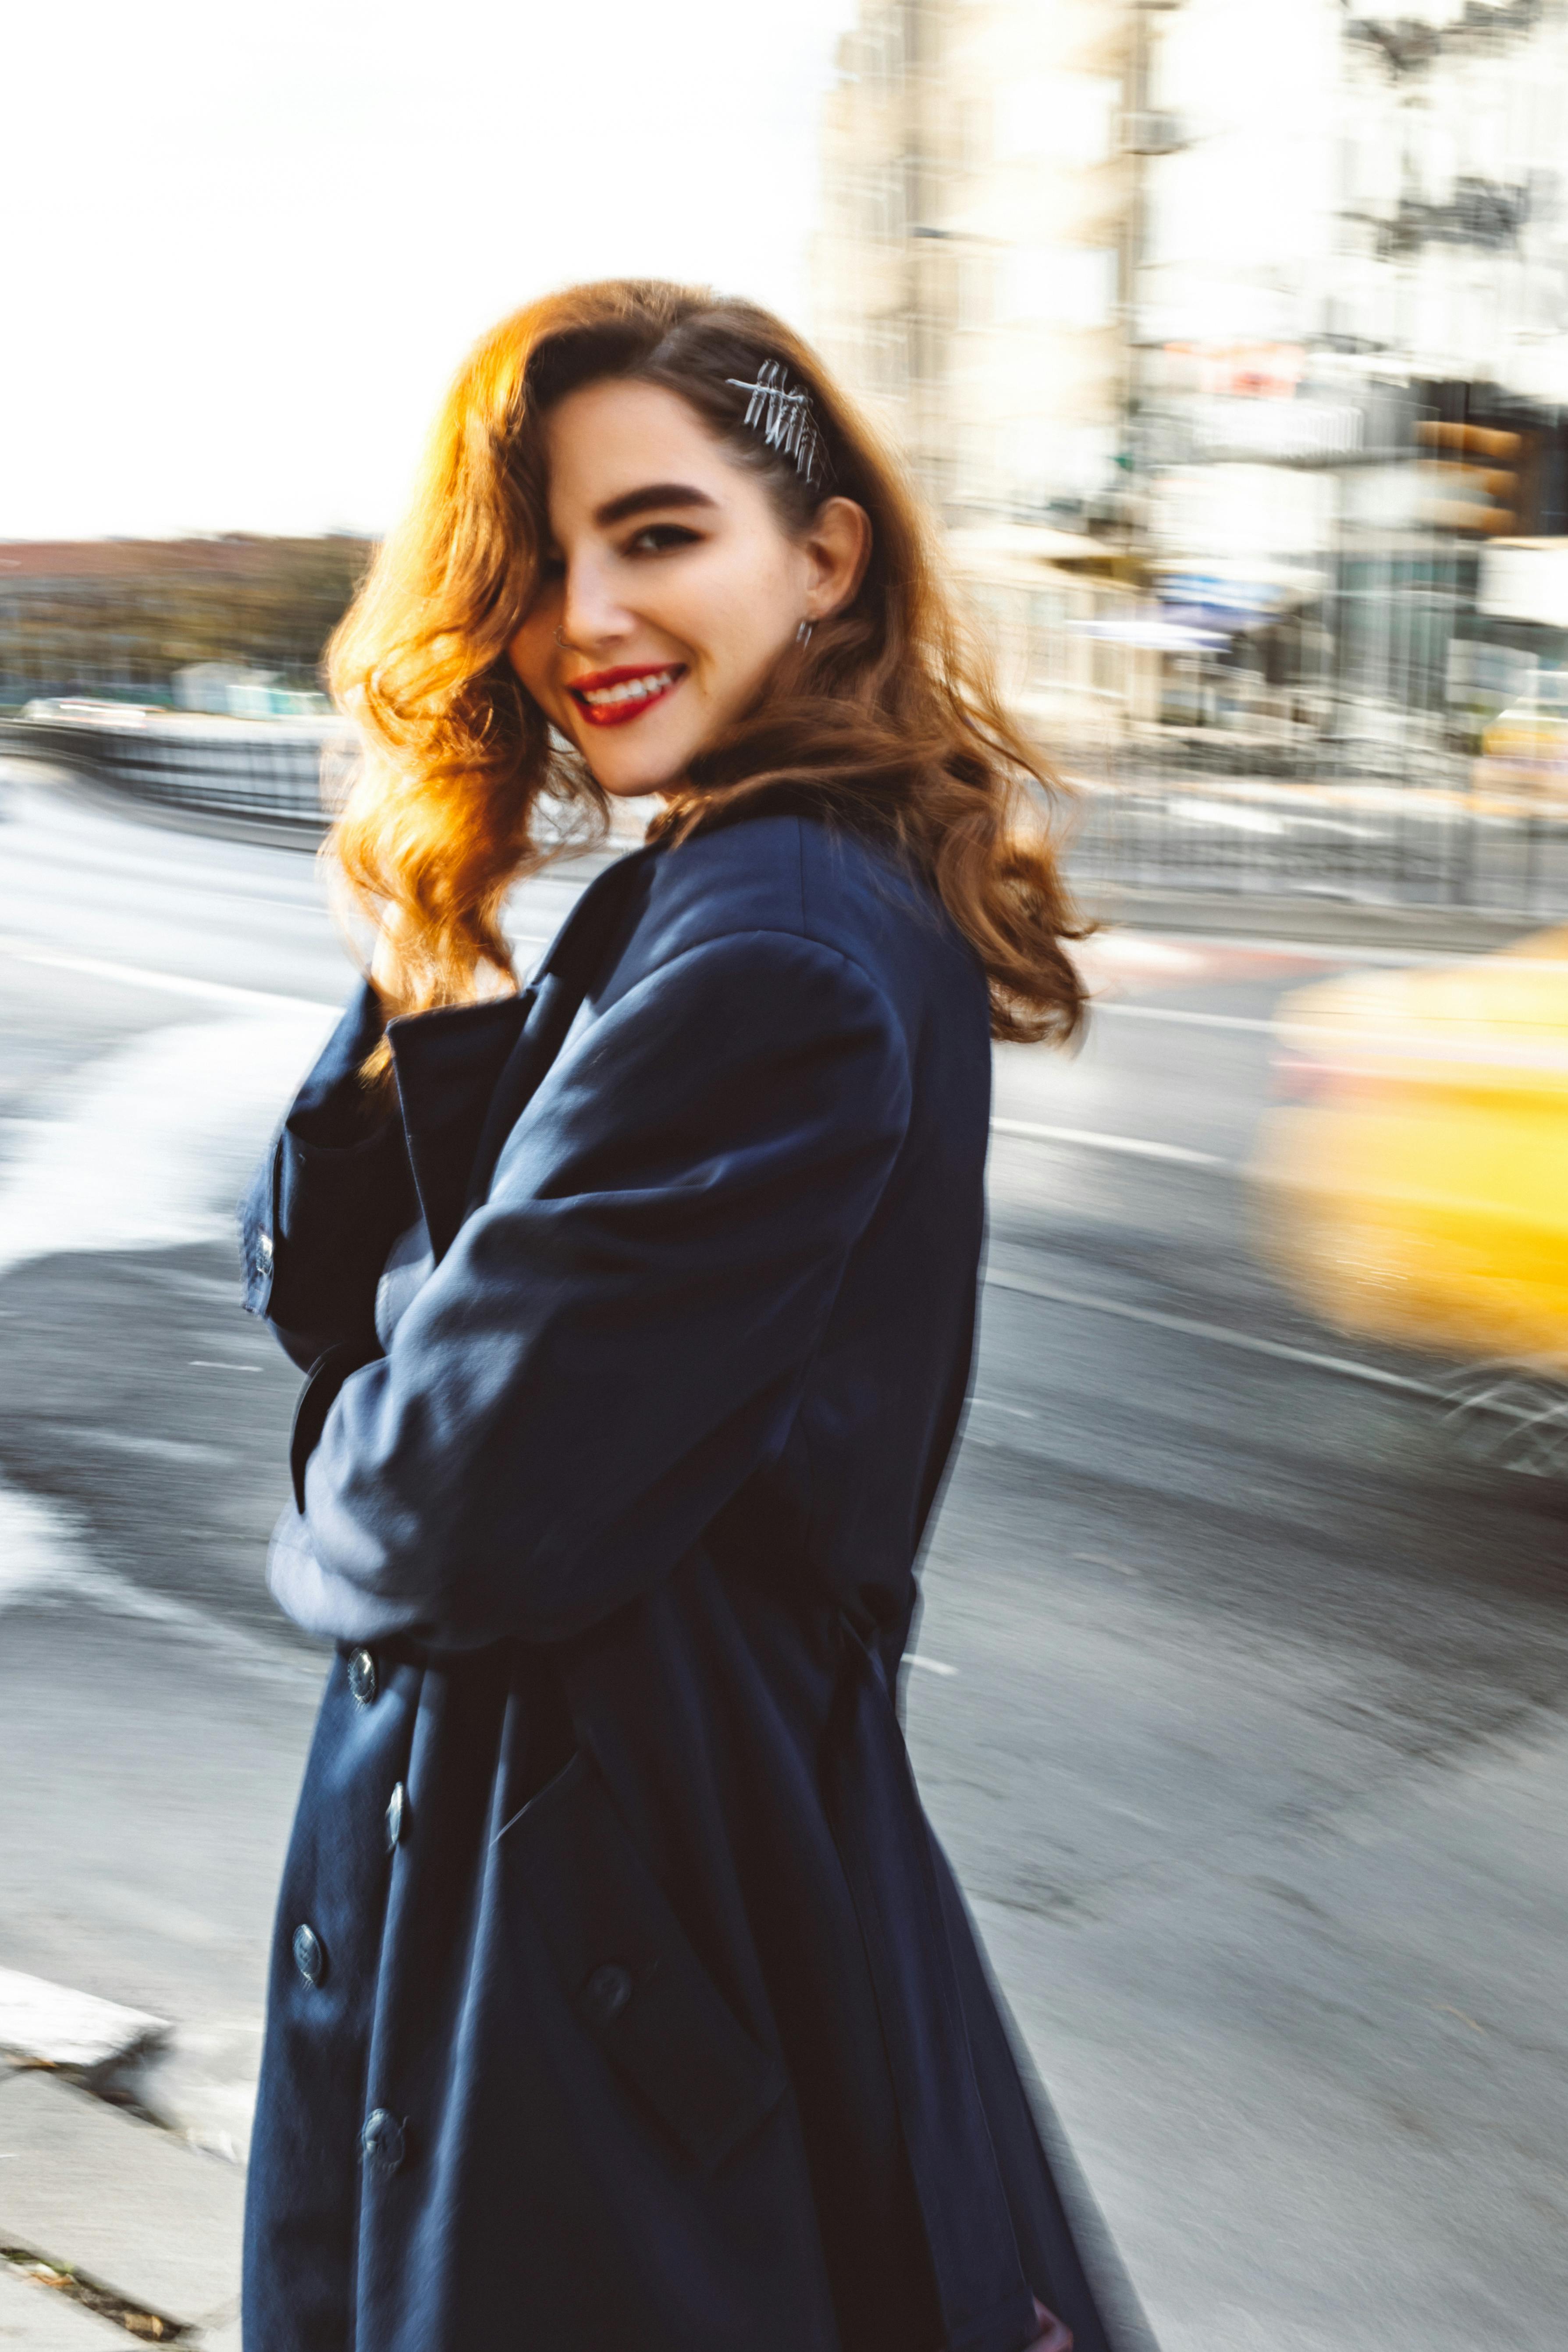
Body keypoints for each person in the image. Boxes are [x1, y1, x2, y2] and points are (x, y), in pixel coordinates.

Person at [239, 279, 1159, 2352]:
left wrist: (340, 1455)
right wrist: (424, 966)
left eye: (656, 534)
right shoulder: (728, 891)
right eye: (537, 558)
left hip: (613, 1935)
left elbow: (431, 1514)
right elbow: (356, 1293)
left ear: (822, 557)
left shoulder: (779, 952)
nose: (580, 619)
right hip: (638, 1874)